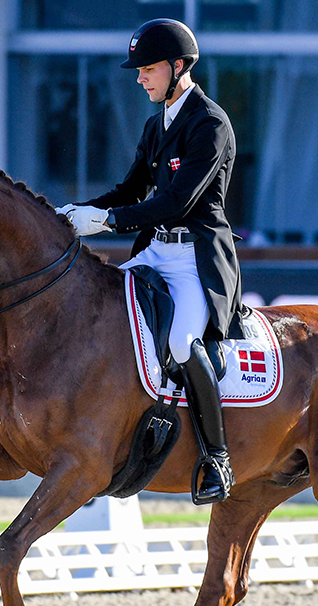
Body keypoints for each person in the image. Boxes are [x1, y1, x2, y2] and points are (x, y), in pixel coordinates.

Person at [58, 18, 245, 504]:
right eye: (138, 70)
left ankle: (216, 458)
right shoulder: (155, 122)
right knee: (102, 322)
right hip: (155, 249)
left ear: (178, 67)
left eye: (148, 69)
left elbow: (177, 203)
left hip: (193, 258)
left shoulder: (210, 124)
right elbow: (130, 190)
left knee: (182, 343)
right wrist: (72, 215)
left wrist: (105, 222)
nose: (140, 77)